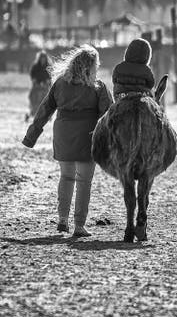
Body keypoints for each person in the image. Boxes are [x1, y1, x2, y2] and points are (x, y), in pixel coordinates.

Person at [22, 45, 114, 237]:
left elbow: (45, 109)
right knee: (84, 181)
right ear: (91, 66)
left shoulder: (60, 83)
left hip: (63, 132)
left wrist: (31, 136)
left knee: (66, 177)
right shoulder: (98, 86)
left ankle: (62, 220)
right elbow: (108, 114)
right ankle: (79, 226)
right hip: (88, 134)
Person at [27, 50, 52, 121]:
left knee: (45, 98)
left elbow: (51, 75)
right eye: (41, 58)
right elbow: (32, 73)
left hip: (45, 85)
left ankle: (46, 114)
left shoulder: (49, 66)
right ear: (39, 58)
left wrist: (48, 80)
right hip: (36, 85)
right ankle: (33, 111)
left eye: (44, 58)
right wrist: (34, 79)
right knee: (32, 96)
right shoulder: (35, 66)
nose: (43, 60)